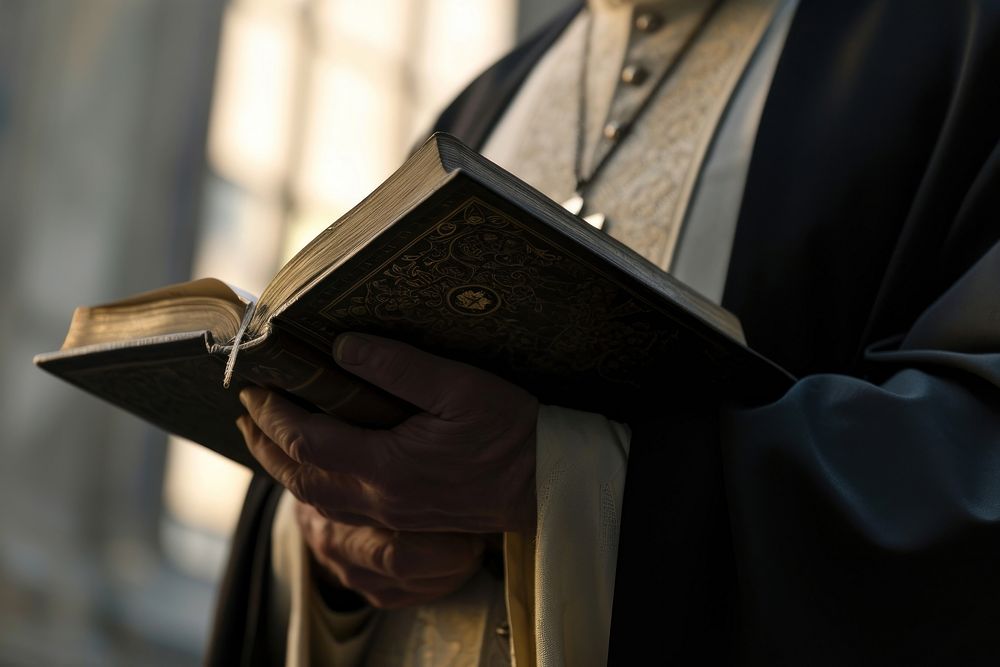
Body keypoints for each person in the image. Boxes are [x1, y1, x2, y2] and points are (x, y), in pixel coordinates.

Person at [207, 0, 1000, 664]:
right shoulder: (487, 102)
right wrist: (327, 529)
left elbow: (976, 463)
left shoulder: (959, 47)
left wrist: (561, 483)